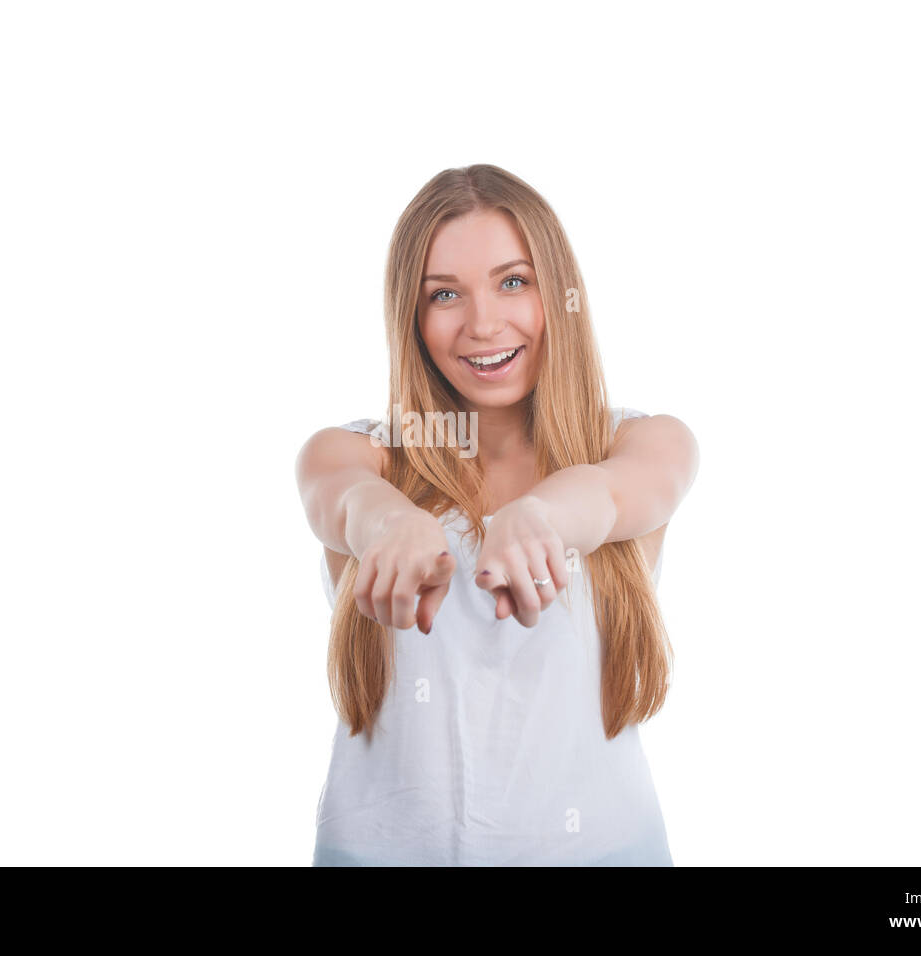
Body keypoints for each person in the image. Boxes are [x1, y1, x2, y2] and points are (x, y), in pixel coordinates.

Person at [295, 164, 700, 866]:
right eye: (444, 294)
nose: (483, 323)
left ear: (559, 294)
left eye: (513, 281)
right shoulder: (358, 456)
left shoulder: (642, 442)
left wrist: (539, 515)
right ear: (412, 318)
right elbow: (343, 500)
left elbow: (612, 495)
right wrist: (390, 525)